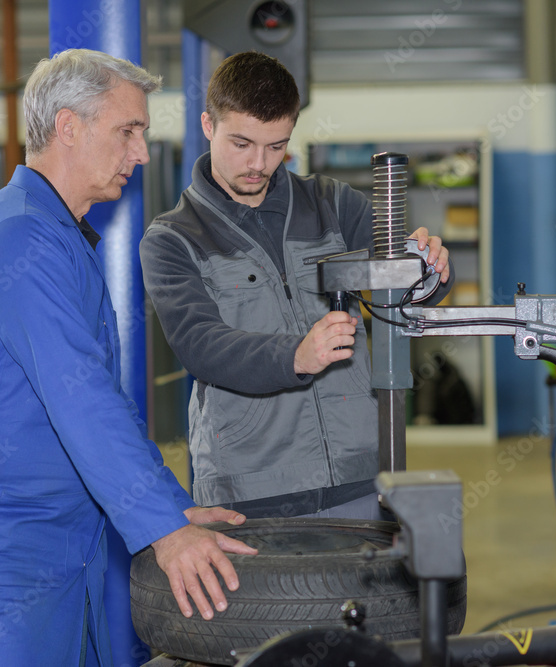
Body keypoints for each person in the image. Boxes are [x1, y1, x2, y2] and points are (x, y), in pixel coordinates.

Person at [0, 49, 257, 667]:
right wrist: (167, 529)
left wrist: (169, 507)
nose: (143, 152)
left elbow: (102, 395)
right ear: (68, 127)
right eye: (129, 130)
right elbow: (81, 402)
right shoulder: (17, 235)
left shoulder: (58, 235)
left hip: (66, 539)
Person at [140, 51, 454, 522]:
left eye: (275, 146)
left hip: (360, 475)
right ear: (208, 124)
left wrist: (430, 267)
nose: (258, 164)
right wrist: (296, 356)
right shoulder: (172, 239)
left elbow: (406, 292)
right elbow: (201, 345)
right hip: (250, 487)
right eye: (242, 144)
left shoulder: (332, 204)